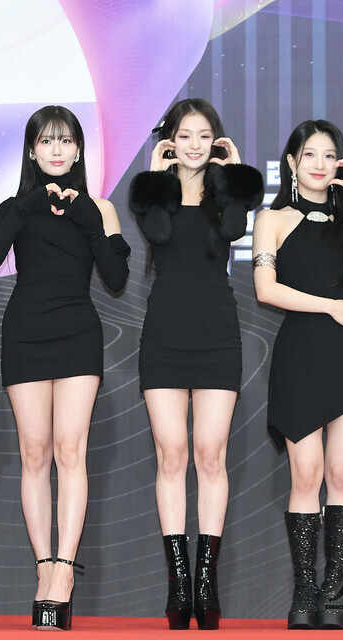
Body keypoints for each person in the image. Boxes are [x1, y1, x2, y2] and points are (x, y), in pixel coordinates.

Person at [0, 105, 130, 631]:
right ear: (32, 150)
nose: (57, 150)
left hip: (78, 333)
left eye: (66, 141)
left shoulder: (100, 209)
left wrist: (85, 216)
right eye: (47, 141)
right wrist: (27, 205)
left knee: (69, 449)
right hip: (26, 332)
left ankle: (64, 571)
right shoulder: (15, 206)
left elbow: (115, 277)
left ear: (79, 150)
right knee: (35, 452)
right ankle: (43, 567)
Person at [127, 98, 263, 630]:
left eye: (204, 136)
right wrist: (156, 177)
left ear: (216, 141)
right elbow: (160, 234)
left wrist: (232, 176)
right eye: (184, 135)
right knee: (171, 455)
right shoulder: (152, 195)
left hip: (216, 335)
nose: (194, 145)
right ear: (170, 140)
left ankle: (206, 582)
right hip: (164, 336)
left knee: (210, 455)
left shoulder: (226, 196)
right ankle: (178, 582)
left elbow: (232, 230)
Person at [252, 120, 343, 630]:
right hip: (300, 353)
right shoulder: (272, 219)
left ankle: (333, 593)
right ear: (291, 162)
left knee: (342, 473)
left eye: (330, 155)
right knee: (306, 474)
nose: (320, 164)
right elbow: (266, 289)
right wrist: (330, 305)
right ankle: (305, 590)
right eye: (309, 154)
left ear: (340, 164)